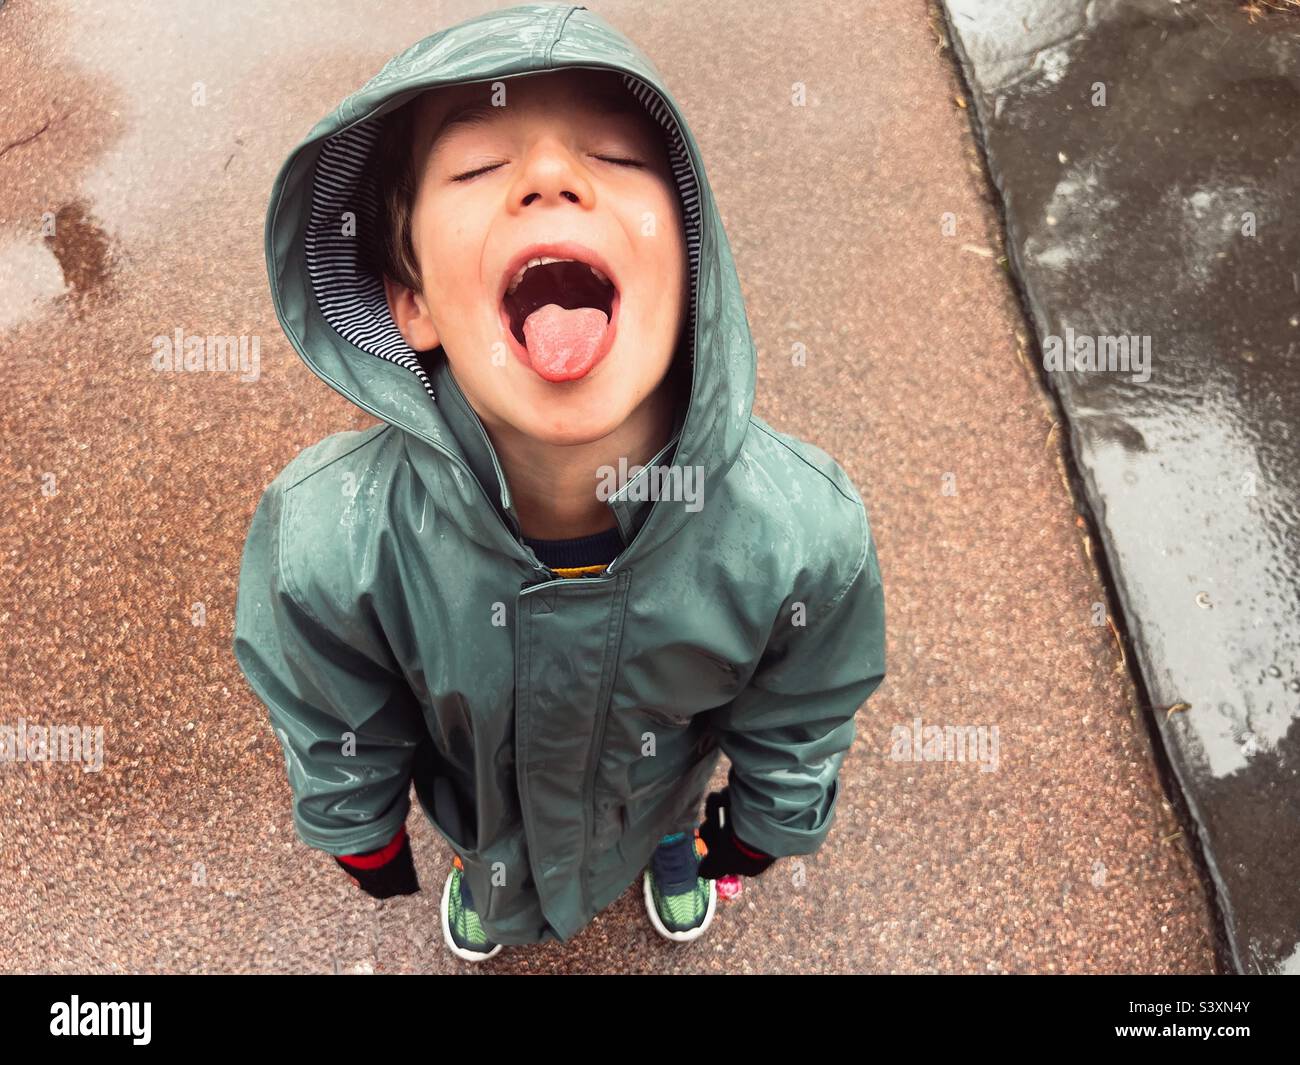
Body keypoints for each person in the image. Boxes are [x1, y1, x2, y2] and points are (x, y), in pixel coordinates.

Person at [233, 3, 886, 963]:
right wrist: (358, 827)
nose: (550, 176)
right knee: (493, 851)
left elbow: (802, 710)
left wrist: (760, 824)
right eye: (478, 166)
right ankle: (487, 883)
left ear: (692, 266)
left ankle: (675, 850)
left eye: (618, 157)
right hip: (483, 803)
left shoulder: (798, 534)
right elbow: (337, 714)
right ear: (408, 302)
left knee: (665, 810)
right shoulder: (330, 539)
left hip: (663, 782)